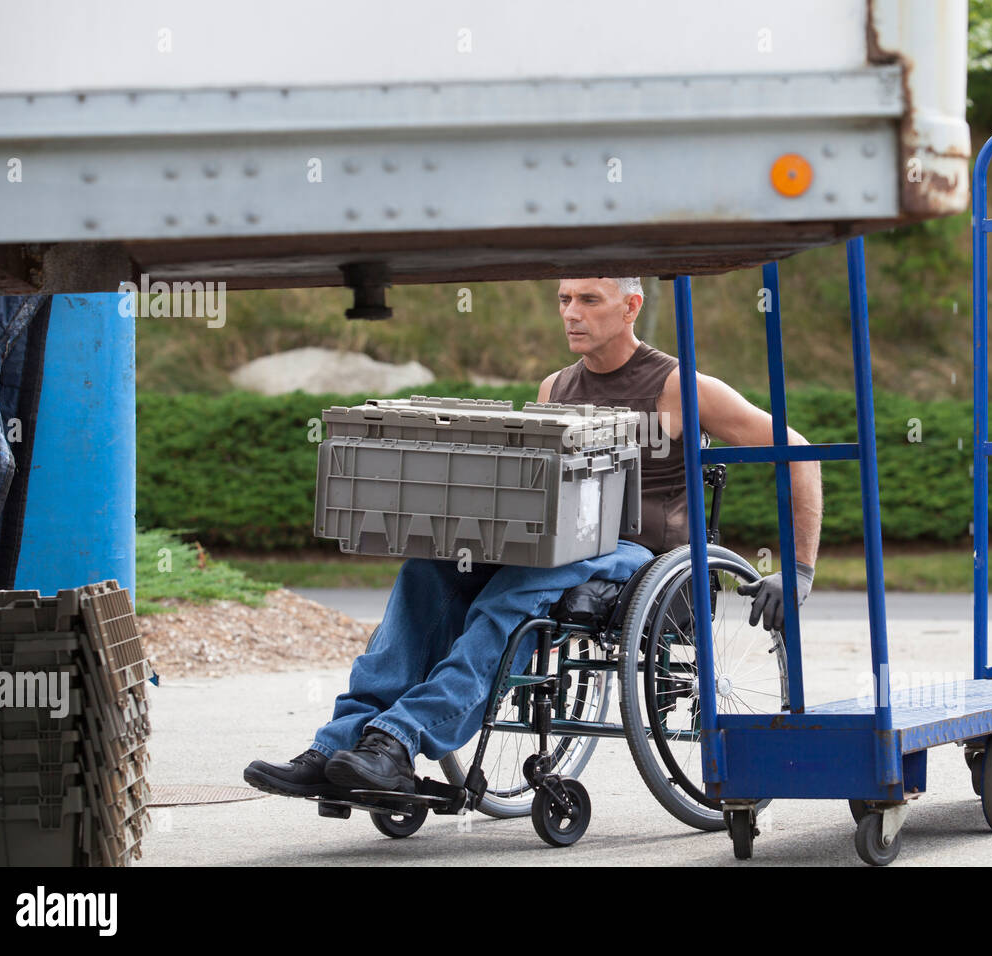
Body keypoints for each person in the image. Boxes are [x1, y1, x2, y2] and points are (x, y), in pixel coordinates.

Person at [244, 276, 823, 799]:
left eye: (589, 300)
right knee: (428, 568)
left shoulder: (678, 385)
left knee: (524, 583)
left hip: (642, 558)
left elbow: (798, 451)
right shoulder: (556, 387)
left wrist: (797, 569)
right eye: (565, 300)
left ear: (631, 307)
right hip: (559, 542)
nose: (571, 313)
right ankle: (341, 743)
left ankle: (398, 738)